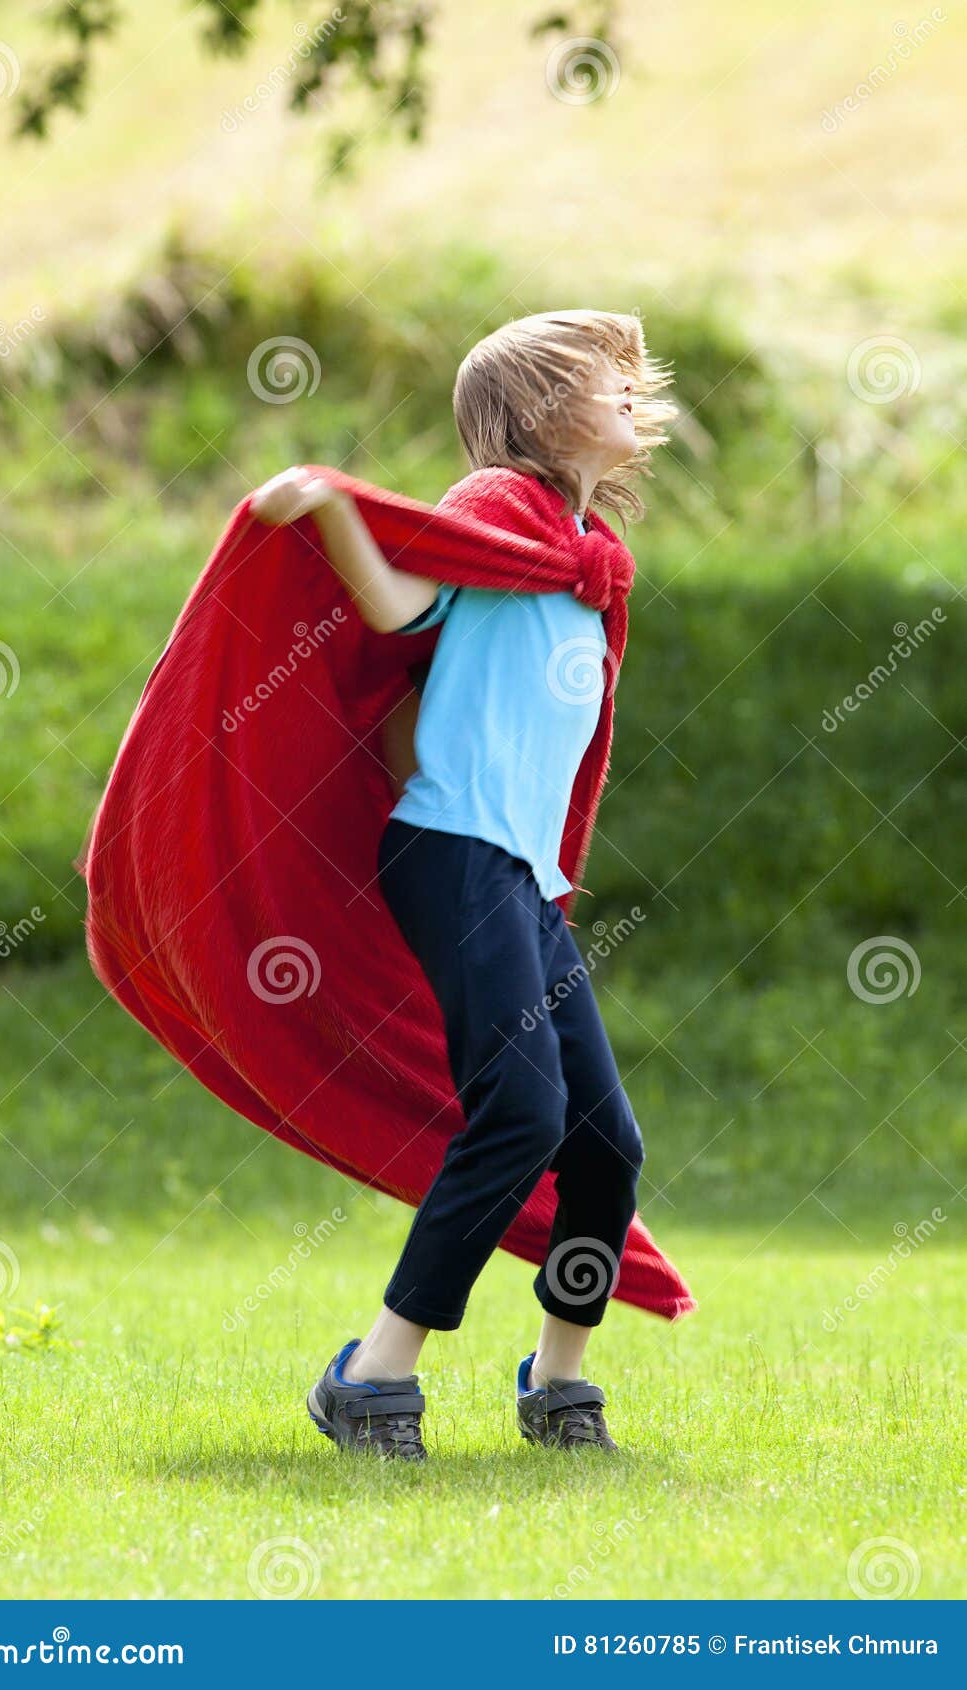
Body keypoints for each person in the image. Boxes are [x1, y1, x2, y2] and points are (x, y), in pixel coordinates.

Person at [250, 310, 672, 1461]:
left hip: (521, 875)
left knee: (603, 1144)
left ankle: (557, 1381)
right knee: (521, 1113)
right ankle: (370, 1376)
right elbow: (398, 604)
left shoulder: (585, 554)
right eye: (600, 382)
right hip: (452, 849)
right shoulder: (495, 506)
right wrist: (330, 504)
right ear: (540, 412)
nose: (627, 397)